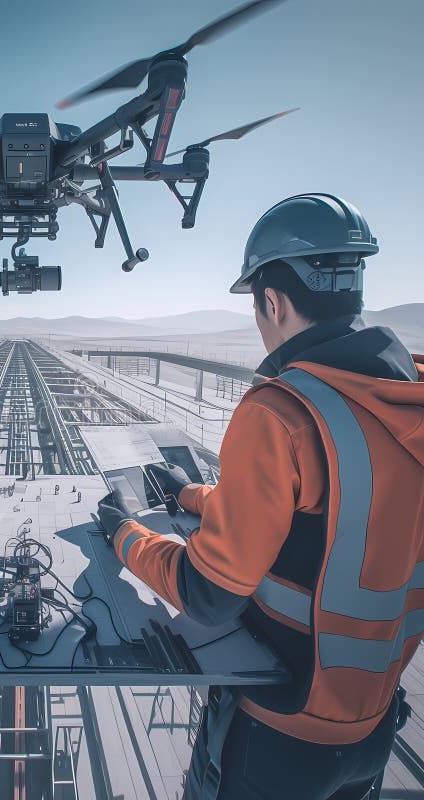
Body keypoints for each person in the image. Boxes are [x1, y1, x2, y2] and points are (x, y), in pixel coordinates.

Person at [97, 193, 424, 800]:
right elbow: (332, 518)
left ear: (271, 300)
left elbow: (208, 594)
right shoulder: (406, 399)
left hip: (279, 730)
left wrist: (124, 535)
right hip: (375, 726)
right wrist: (194, 495)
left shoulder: (281, 411)